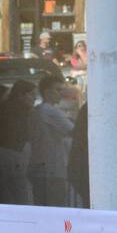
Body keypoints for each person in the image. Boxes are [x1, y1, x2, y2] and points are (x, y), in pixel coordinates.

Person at [27, 76, 73, 206]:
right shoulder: (49, 110)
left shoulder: (37, 111)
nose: (61, 93)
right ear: (47, 91)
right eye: (58, 90)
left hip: (40, 169)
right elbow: (73, 130)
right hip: (52, 171)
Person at [0, 80, 36, 205]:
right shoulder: (17, 111)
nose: (34, 98)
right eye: (31, 94)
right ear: (20, 95)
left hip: (9, 157)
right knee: (21, 197)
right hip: (11, 157)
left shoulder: (6, 108)